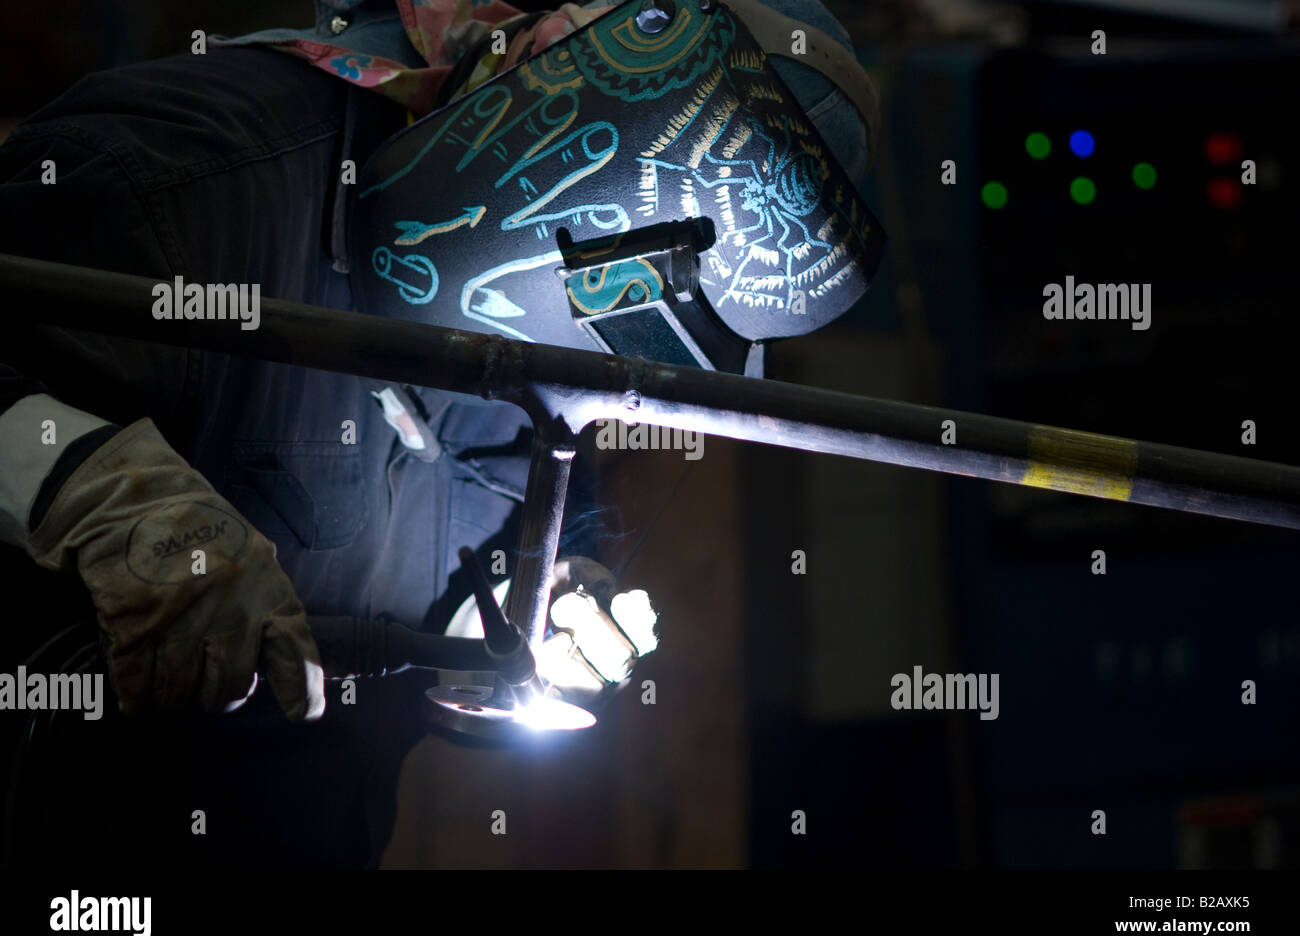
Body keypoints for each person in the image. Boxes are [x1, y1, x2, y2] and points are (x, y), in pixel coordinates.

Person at [0, 0, 874, 867]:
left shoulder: (557, 338)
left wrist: (520, 609)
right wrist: (76, 483)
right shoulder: (188, 170)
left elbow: (488, 532)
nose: (583, 327)